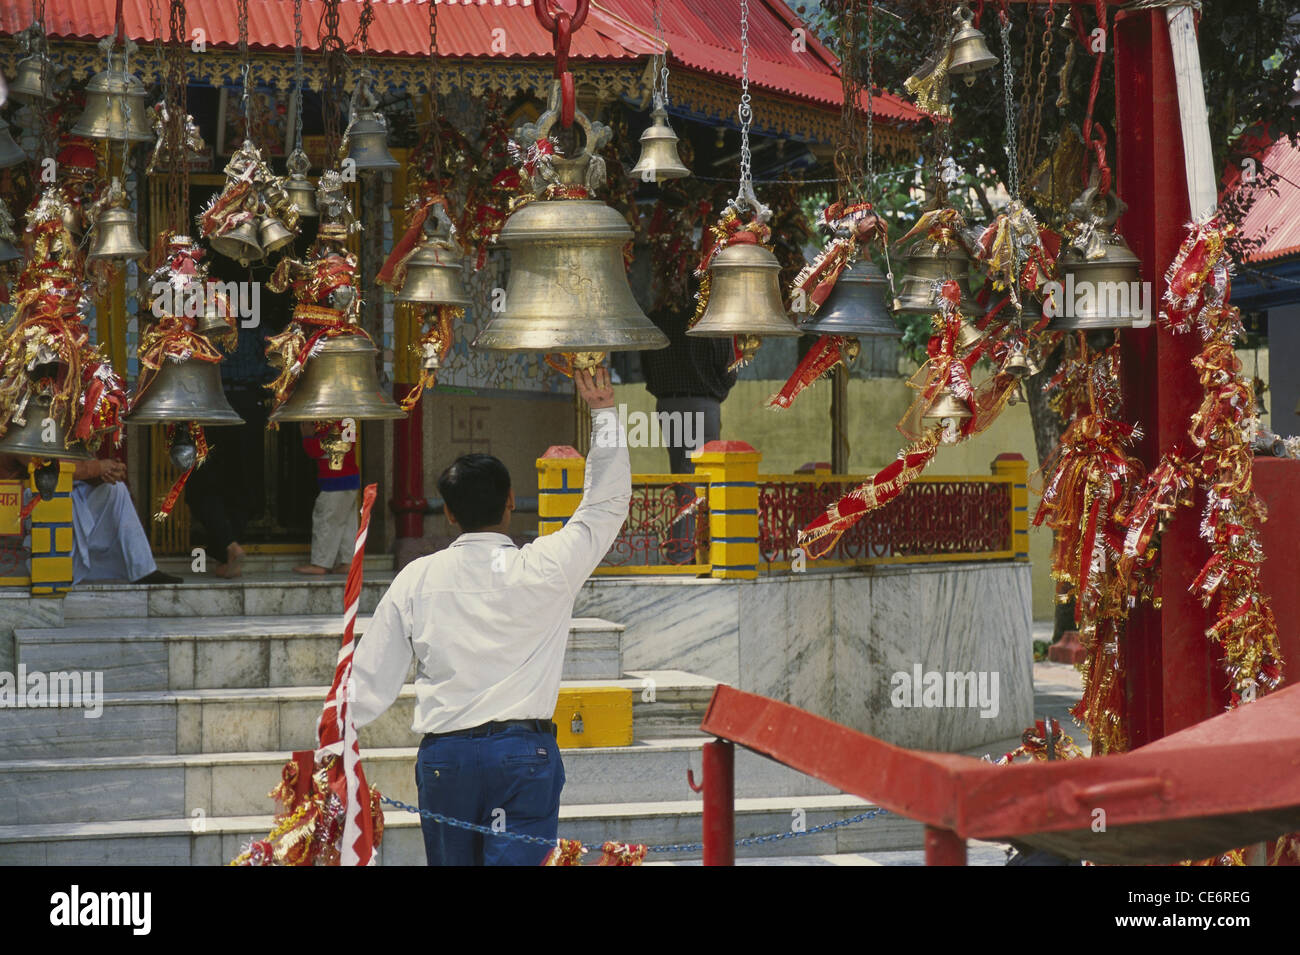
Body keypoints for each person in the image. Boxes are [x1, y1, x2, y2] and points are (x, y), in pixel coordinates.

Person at [349, 367, 629, 866]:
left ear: (450, 514)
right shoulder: (547, 565)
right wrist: (604, 413)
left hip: (447, 761)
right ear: (511, 503)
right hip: (524, 757)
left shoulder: (417, 578)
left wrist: (336, 735)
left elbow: (369, 681)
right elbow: (605, 507)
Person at [69, 457, 181, 585]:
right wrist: (97, 468)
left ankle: (143, 569)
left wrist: (107, 472)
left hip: (74, 491)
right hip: (50, 495)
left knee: (115, 488)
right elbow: (50, 464)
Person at [294, 421, 358, 575]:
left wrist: (308, 437)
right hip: (350, 480)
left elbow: (316, 450)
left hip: (335, 482)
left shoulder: (331, 424)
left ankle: (320, 564)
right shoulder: (348, 421)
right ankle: (347, 561)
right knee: (347, 524)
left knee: (326, 521)